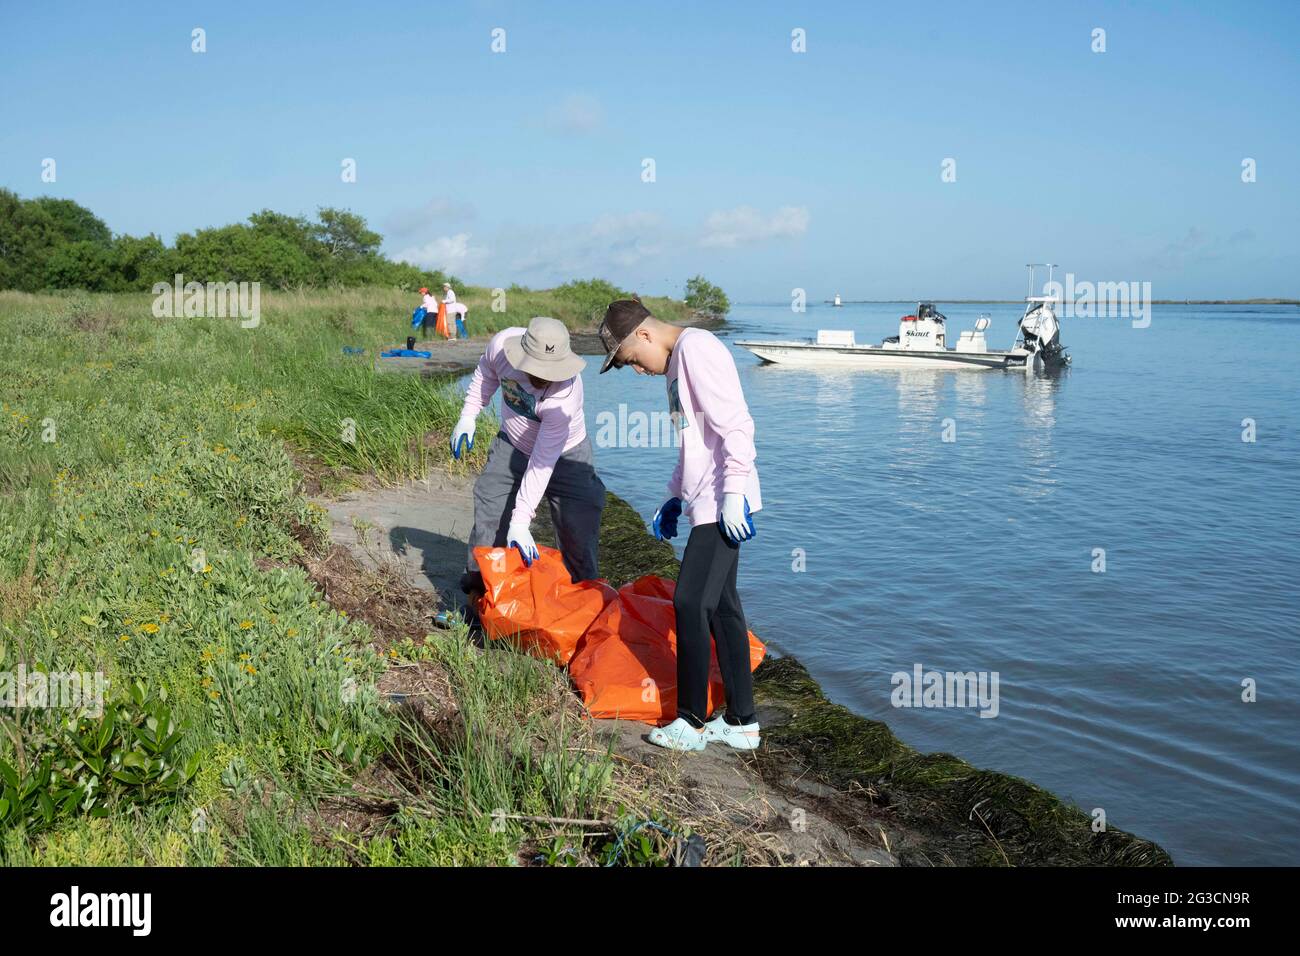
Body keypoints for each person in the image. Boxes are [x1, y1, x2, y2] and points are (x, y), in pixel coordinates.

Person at [598, 298, 762, 752]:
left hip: (724, 502)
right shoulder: (675, 366)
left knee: (690, 603)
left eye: (632, 359)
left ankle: (690, 721)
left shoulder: (697, 349)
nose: (637, 370)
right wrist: (673, 495)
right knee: (723, 608)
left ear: (644, 335)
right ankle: (743, 723)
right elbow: (693, 443)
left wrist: (733, 496)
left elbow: (737, 428)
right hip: (707, 500)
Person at [451, 316, 607, 620]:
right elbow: (486, 373)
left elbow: (542, 462)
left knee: (579, 531)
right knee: (489, 515)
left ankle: (584, 609)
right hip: (511, 444)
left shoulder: (565, 393)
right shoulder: (501, 346)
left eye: (550, 371)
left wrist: (521, 521)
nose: (544, 378)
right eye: (537, 368)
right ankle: (478, 599)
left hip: (567, 455)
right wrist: (469, 415)